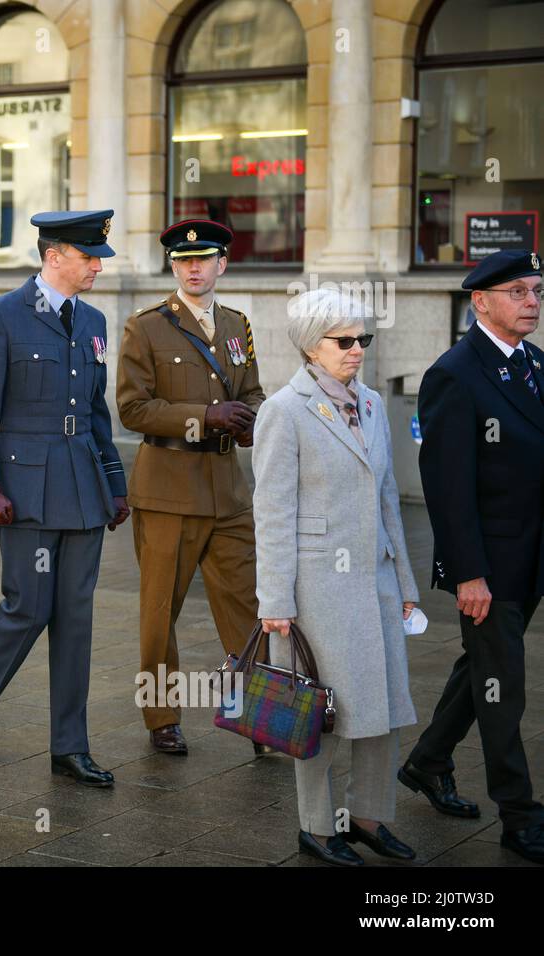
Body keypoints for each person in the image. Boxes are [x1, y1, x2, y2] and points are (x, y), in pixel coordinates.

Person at [0, 210, 129, 786]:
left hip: (82, 489)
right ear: (54, 256)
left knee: (76, 619)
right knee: (27, 606)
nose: (96, 268)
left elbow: (97, 413)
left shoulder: (95, 320)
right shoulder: (0, 317)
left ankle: (69, 745)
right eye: (88, 258)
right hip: (23, 490)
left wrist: (114, 484)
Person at [253, 288, 422, 866]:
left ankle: (369, 817)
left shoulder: (372, 403)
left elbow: (387, 501)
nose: (357, 350)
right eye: (343, 341)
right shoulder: (284, 410)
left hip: (373, 583)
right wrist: (274, 599)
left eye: (363, 340)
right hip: (315, 590)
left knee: (384, 706)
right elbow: (271, 511)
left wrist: (405, 585)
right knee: (318, 712)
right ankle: (317, 827)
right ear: (310, 345)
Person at [402, 249, 544, 865]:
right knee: (501, 686)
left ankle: (429, 762)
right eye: (518, 291)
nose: (532, 302)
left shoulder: (533, 363)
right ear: (480, 302)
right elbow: (448, 488)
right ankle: (519, 814)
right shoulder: (455, 374)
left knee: (481, 666)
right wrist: (469, 574)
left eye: (537, 291)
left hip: (530, 553)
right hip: (488, 565)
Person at [116, 219, 270, 756]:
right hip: (167, 492)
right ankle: (162, 717)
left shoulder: (236, 324)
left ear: (222, 264)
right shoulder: (146, 327)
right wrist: (205, 415)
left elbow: (252, 392)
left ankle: (259, 714)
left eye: (203, 260)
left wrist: (252, 419)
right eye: (184, 262)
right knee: (161, 612)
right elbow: (133, 409)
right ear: (173, 268)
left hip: (227, 491)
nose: (194, 268)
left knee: (249, 608)